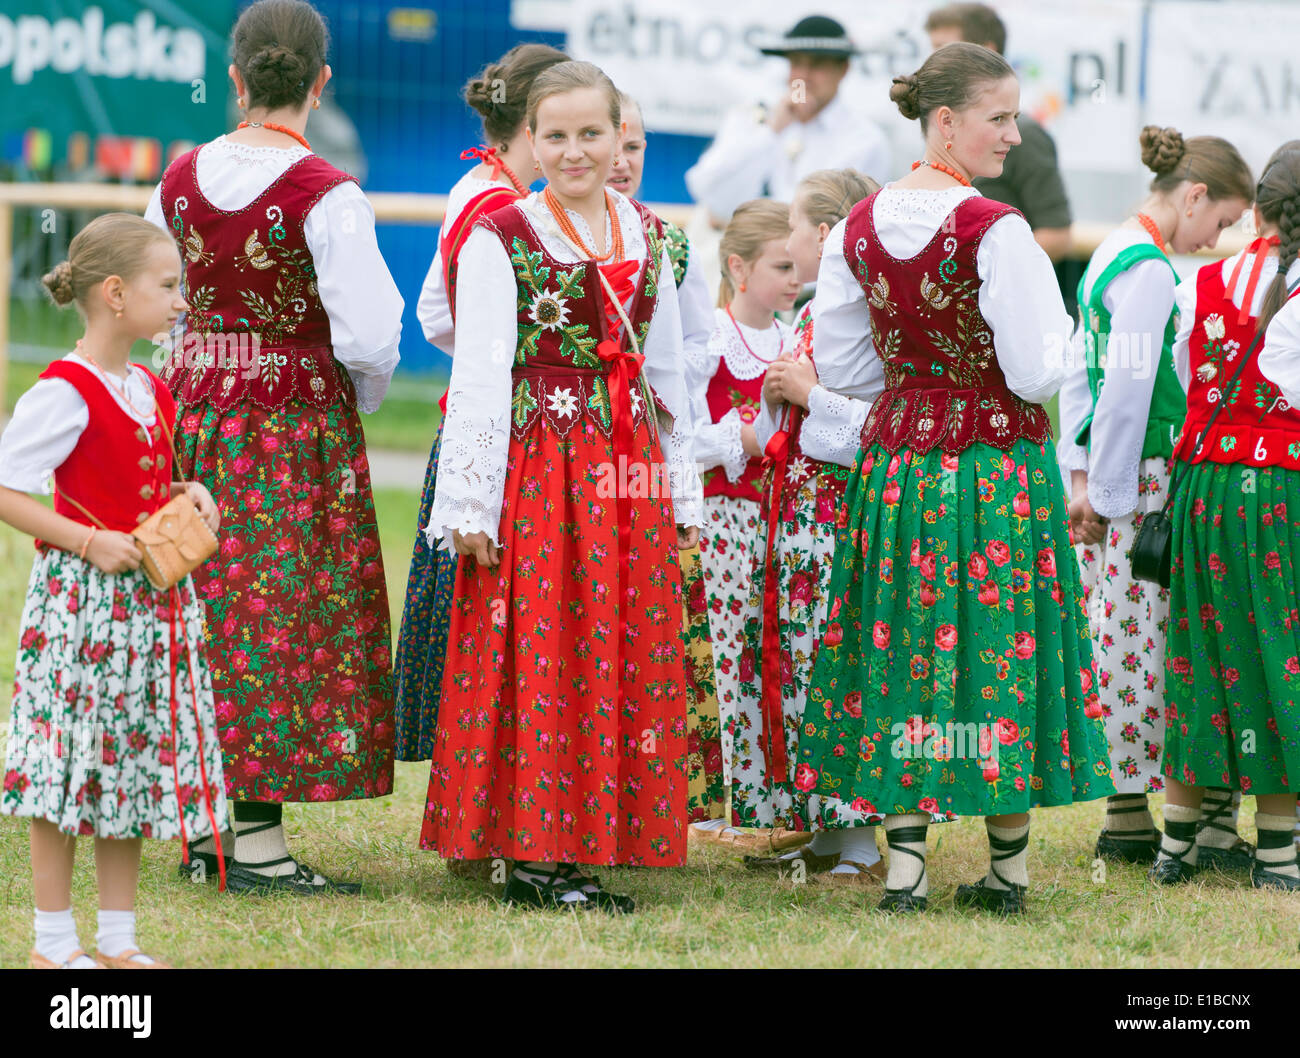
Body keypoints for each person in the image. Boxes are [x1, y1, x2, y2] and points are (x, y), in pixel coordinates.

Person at [798, 42, 1115, 915]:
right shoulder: (995, 228)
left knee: (902, 644)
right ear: (946, 123)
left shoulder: (857, 228)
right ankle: (1006, 873)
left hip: (898, 465)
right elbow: (1035, 373)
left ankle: (905, 871)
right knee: (997, 646)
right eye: (1000, 117)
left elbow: (844, 368)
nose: (1014, 135)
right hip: (991, 467)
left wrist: (915, 377)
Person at [420, 60, 703, 912]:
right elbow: (478, 375)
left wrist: (681, 493)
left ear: (623, 134)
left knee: (611, 637)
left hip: (625, 465)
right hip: (541, 463)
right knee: (543, 636)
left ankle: (596, 829)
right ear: (528, 142)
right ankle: (536, 851)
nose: (576, 151)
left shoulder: (655, 235)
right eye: (556, 135)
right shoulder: (500, 236)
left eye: (593, 133)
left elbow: (670, 374)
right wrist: (468, 502)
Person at [145, 0, 404, 894]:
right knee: (278, 610)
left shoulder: (177, 179)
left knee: (202, 597)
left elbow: (159, 299)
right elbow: (370, 336)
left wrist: (180, 381)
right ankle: (248, 842)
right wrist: (349, 396)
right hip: (288, 421)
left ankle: (207, 821)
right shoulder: (327, 192)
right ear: (321, 82)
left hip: (193, 406)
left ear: (237, 78)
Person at [0, 214, 227, 968]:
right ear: (116, 294)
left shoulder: (150, 388)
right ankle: (53, 942)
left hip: (147, 608)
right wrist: (88, 540)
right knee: (65, 769)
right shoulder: (65, 391)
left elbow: (139, 480)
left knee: (125, 764)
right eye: (169, 286)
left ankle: (120, 942)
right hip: (81, 608)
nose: (181, 300)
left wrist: (184, 492)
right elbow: (7, 489)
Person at [1060, 126, 1253, 870]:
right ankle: (1165, 810)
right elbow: (1126, 396)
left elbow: (1082, 374)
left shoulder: (1112, 249)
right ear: (1194, 196)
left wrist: (1079, 475)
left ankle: (1129, 813)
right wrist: (1106, 496)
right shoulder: (1148, 271)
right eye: (1222, 222)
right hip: (1145, 475)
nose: (1217, 239)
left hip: (1115, 472)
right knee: (1151, 641)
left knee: (1122, 636)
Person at [732, 168, 917, 886]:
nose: (789, 239)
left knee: (838, 659)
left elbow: (877, 427)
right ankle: (823, 824)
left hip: (841, 504)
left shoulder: (872, 313)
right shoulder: (817, 309)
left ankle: (860, 835)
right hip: (805, 505)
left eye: (796, 226)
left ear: (822, 234)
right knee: (803, 655)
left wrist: (807, 394)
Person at [397, 43, 568, 771]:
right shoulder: (512, 206)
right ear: (535, 120)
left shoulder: (474, 185)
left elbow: (434, 311)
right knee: (506, 600)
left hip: (473, 410)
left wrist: (476, 351)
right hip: (513, 422)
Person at [1152, 142, 1300, 889]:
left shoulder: (1204, 280)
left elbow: (1186, 381)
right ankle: (1277, 851)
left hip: (1208, 486)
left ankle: (1178, 844)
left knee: (1200, 652)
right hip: (1282, 492)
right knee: (1282, 653)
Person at [609, 93, 726, 825]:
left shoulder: (670, 242)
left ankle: (647, 791)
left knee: (642, 615)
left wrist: (655, 380)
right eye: (608, 142)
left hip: (645, 451)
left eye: (635, 148)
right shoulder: (529, 232)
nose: (621, 162)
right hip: (567, 444)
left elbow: (698, 342)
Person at [686, 200, 799, 854]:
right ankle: (712, 800)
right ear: (738, 266)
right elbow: (686, 437)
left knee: (764, 657)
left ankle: (763, 801)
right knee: (724, 655)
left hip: (778, 520)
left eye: (795, 265)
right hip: (726, 517)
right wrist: (748, 436)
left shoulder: (791, 340)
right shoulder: (716, 339)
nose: (793, 279)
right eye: (780, 266)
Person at [684, 15, 891, 226]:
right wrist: (772, 131)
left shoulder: (863, 139)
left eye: (817, 64)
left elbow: (829, 216)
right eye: (796, 63)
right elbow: (701, 184)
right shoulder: (753, 116)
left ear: (843, 69)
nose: (804, 75)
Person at [925, 3, 1072, 262]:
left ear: (986, 52)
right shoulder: (940, 126)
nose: (933, 62)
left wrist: (982, 272)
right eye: (933, 48)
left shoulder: (1025, 137)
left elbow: (1058, 234)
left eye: (945, 49)